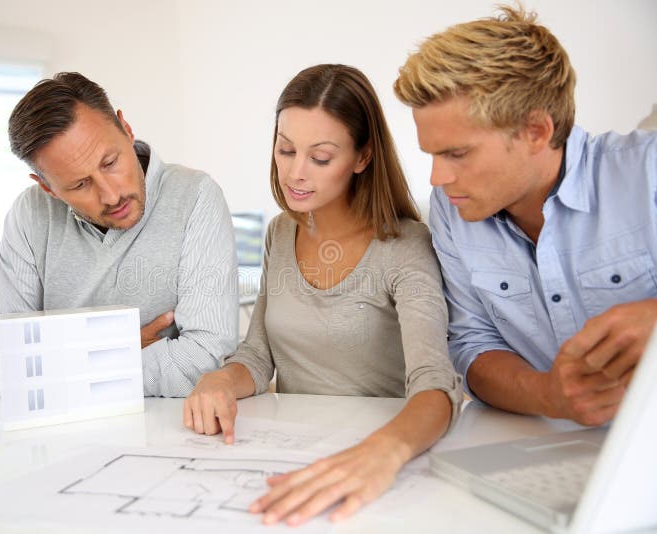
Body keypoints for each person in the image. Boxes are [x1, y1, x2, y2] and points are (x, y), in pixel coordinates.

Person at [183, 64, 462, 525]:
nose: (296, 173)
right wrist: (219, 380)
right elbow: (257, 355)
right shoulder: (279, 233)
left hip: (374, 457)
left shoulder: (404, 247)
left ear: (362, 156)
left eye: (320, 157)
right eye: (286, 149)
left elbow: (437, 385)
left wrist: (381, 452)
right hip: (292, 451)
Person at [394, 6, 657, 427]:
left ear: (536, 131)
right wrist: (547, 395)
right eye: (432, 154)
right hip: (554, 447)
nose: (438, 177)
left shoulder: (655, 170)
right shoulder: (451, 209)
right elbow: (471, 343)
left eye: (458, 154)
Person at [0, 72, 238, 397]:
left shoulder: (195, 196)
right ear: (47, 187)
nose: (111, 196)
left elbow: (205, 357)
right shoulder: (30, 214)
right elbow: (8, 359)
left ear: (126, 129)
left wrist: (69, 366)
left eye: (110, 163)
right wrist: (123, 347)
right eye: (80, 184)